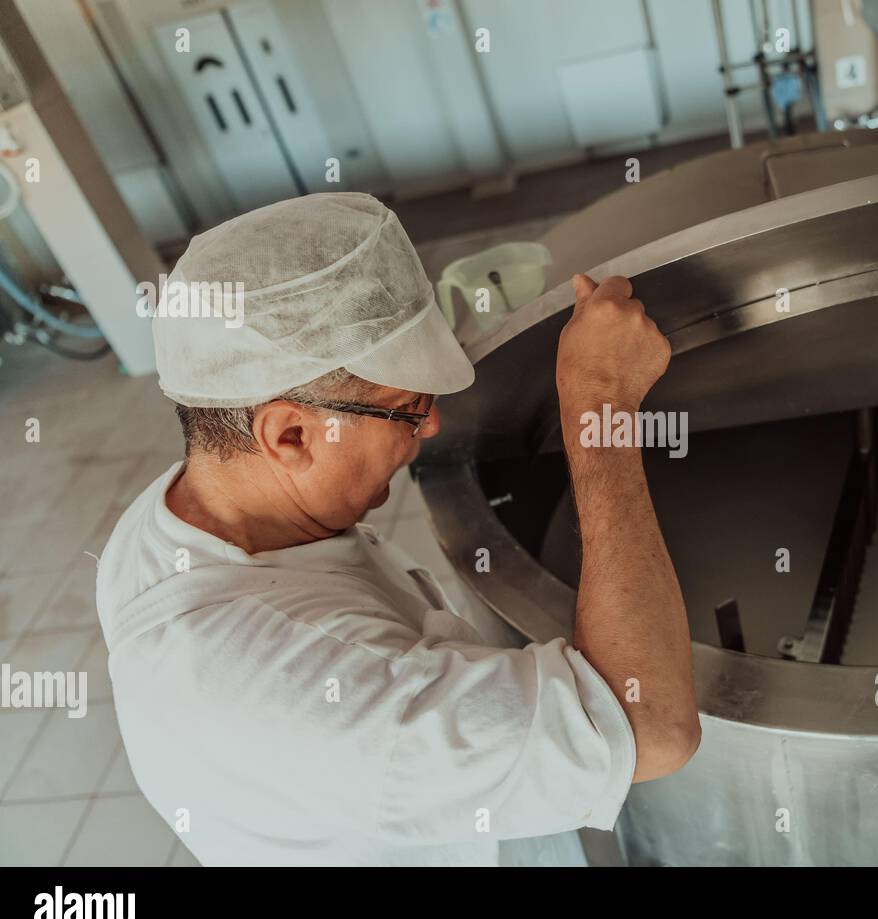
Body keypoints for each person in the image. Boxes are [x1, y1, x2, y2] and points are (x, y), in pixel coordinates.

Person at [95, 192, 699, 865]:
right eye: (408, 412)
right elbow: (652, 727)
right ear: (291, 434)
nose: (432, 426)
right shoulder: (315, 701)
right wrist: (601, 406)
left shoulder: (180, 517)